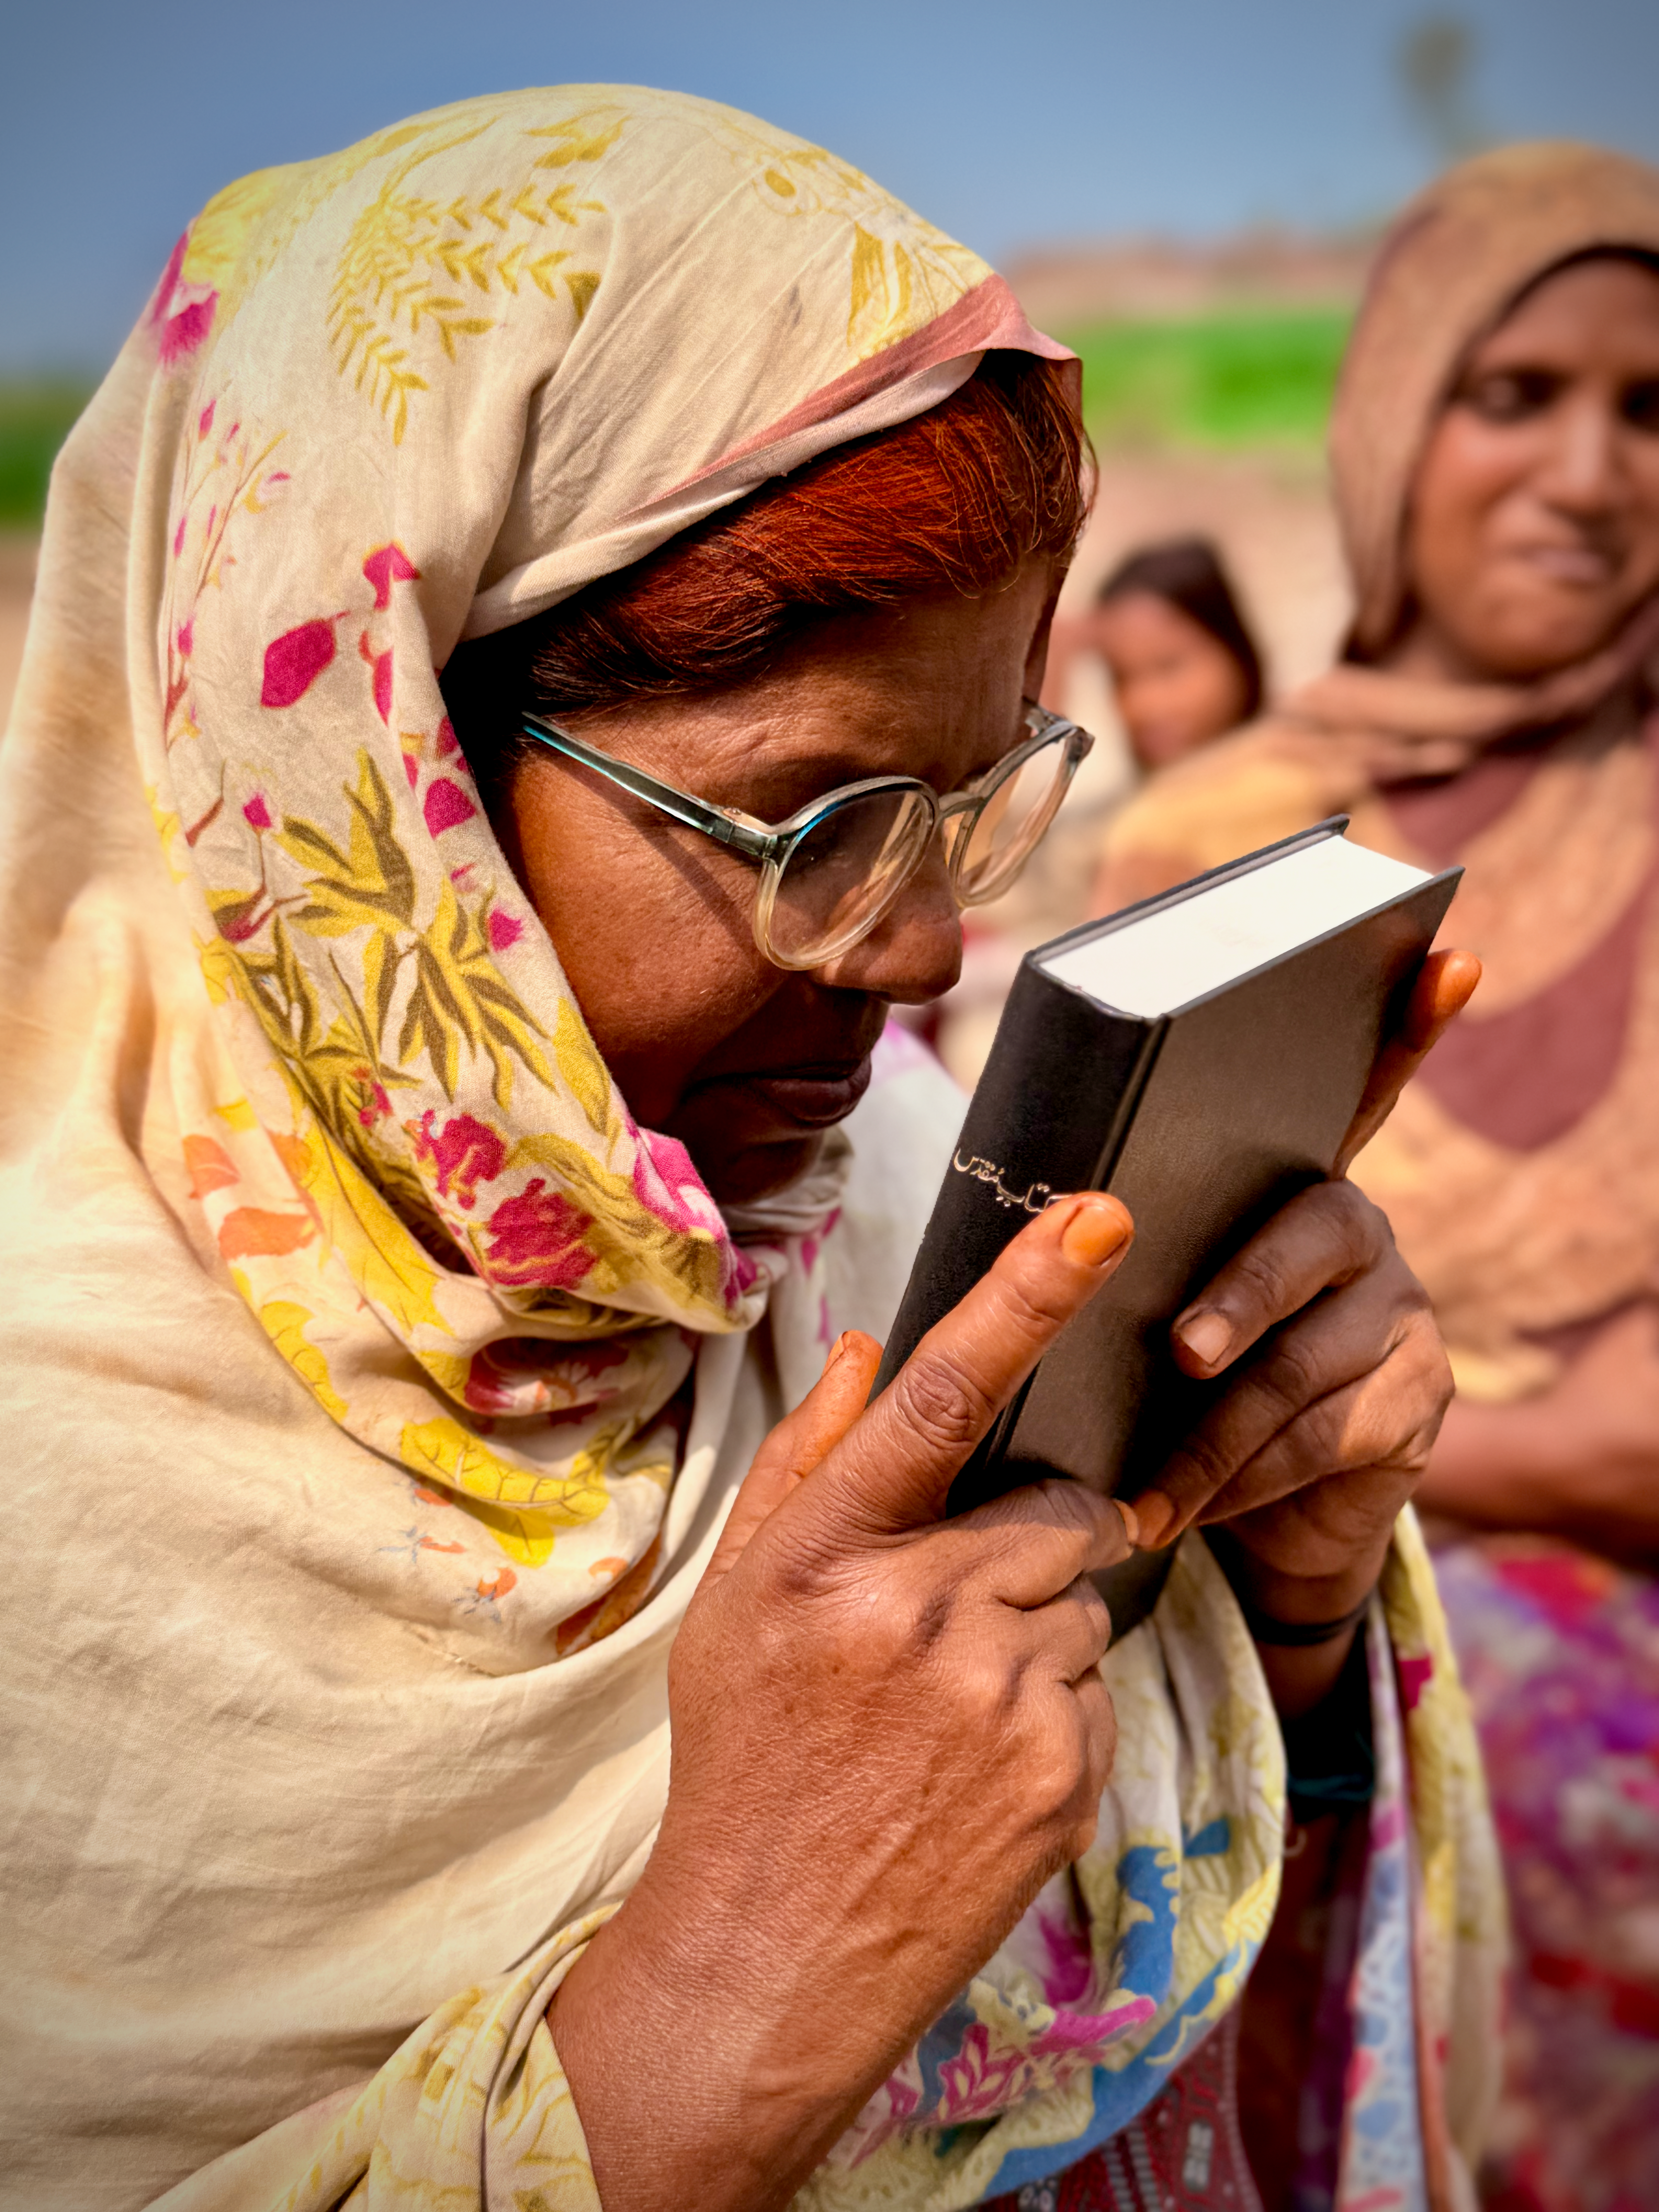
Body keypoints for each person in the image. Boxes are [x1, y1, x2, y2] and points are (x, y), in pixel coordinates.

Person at [0, 88, 1499, 2212]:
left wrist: (1287, 1602)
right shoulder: (43, 1497)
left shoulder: (884, 1192)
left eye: (980, 803)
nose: (918, 955)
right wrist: (704, 2018)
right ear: (382, 770)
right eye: (812, 829)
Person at [1093, 141, 1659, 2212]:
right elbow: (1112, 1372)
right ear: (1386, 418)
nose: (1587, 476)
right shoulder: (1223, 850)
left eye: (1644, 406)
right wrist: (1533, 1454)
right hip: (1336, 1669)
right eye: (1510, 394)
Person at [1052, 536, 1265, 774]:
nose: (1142, 704)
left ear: (1234, 649)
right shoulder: (1148, 801)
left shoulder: (1290, 778)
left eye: (1168, 667)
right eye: (1120, 676)